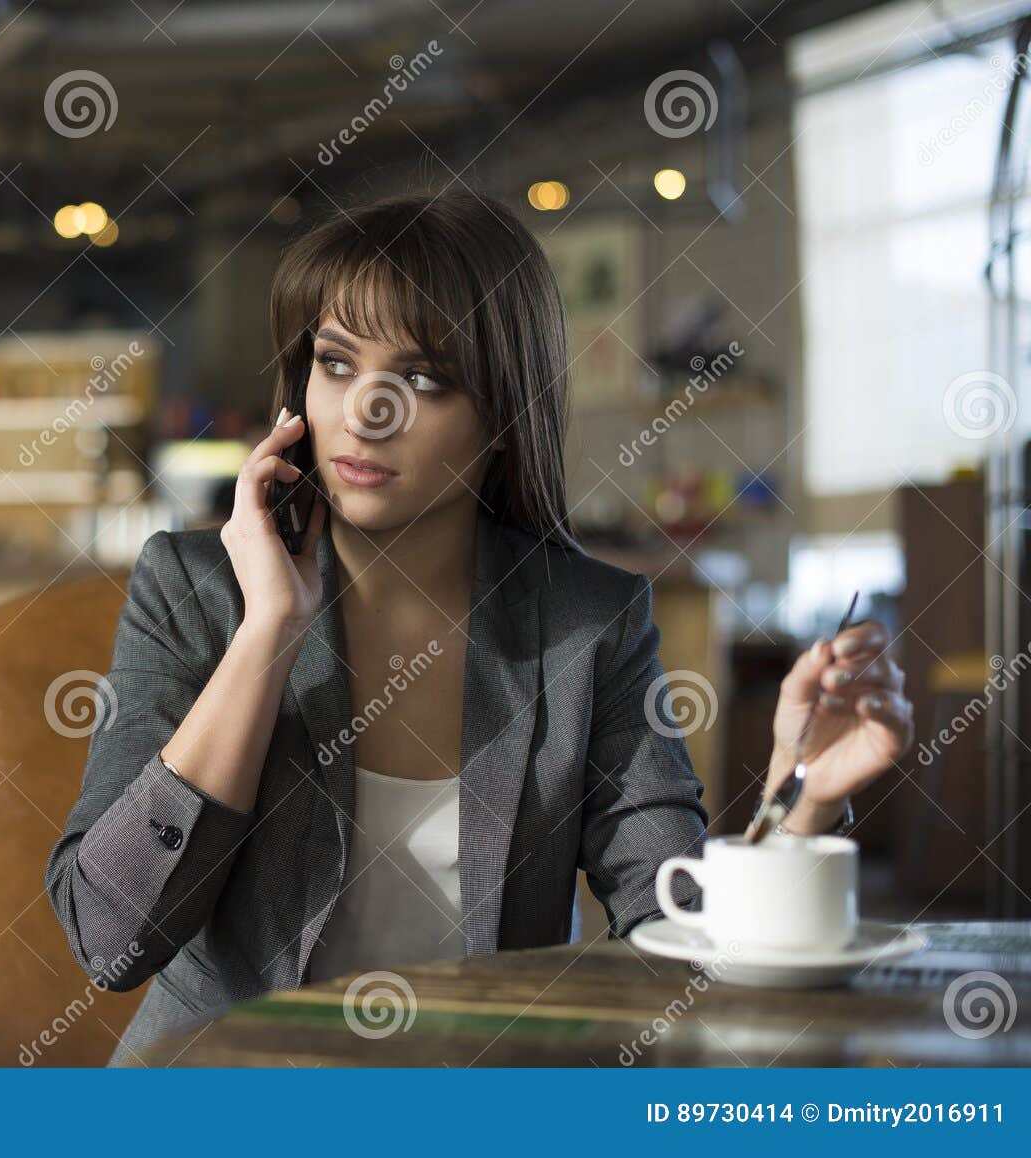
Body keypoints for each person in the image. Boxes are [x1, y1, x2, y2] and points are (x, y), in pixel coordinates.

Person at [44, 188, 913, 1067]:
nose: (365, 412)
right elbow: (110, 938)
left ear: (503, 416)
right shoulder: (195, 588)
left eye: (423, 379)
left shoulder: (589, 624)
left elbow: (673, 935)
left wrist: (800, 801)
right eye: (337, 363)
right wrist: (266, 630)